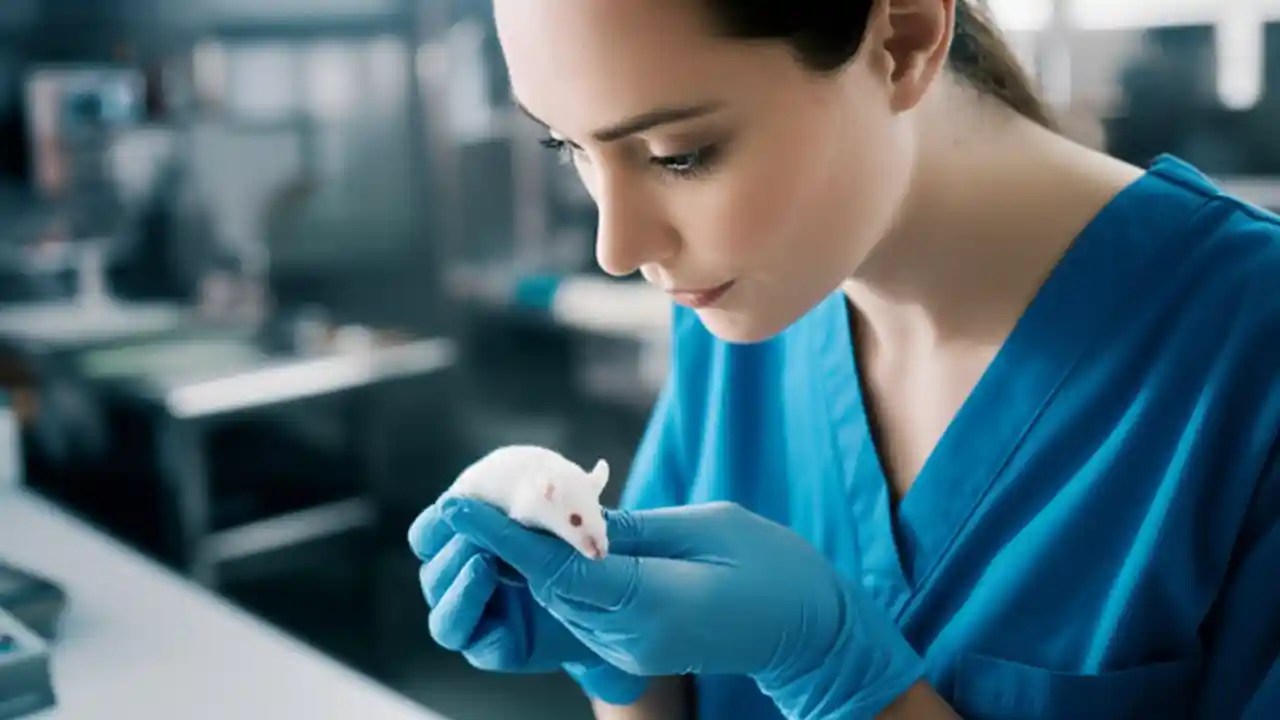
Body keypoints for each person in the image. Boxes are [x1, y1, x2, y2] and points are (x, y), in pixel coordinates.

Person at [407, 1, 1280, 718]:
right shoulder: (739, 302)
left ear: (902, 40)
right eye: (567, 146)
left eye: (680, 156)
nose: (618, 247)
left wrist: (840, 677)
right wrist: (617, 658)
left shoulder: (1246, 356)